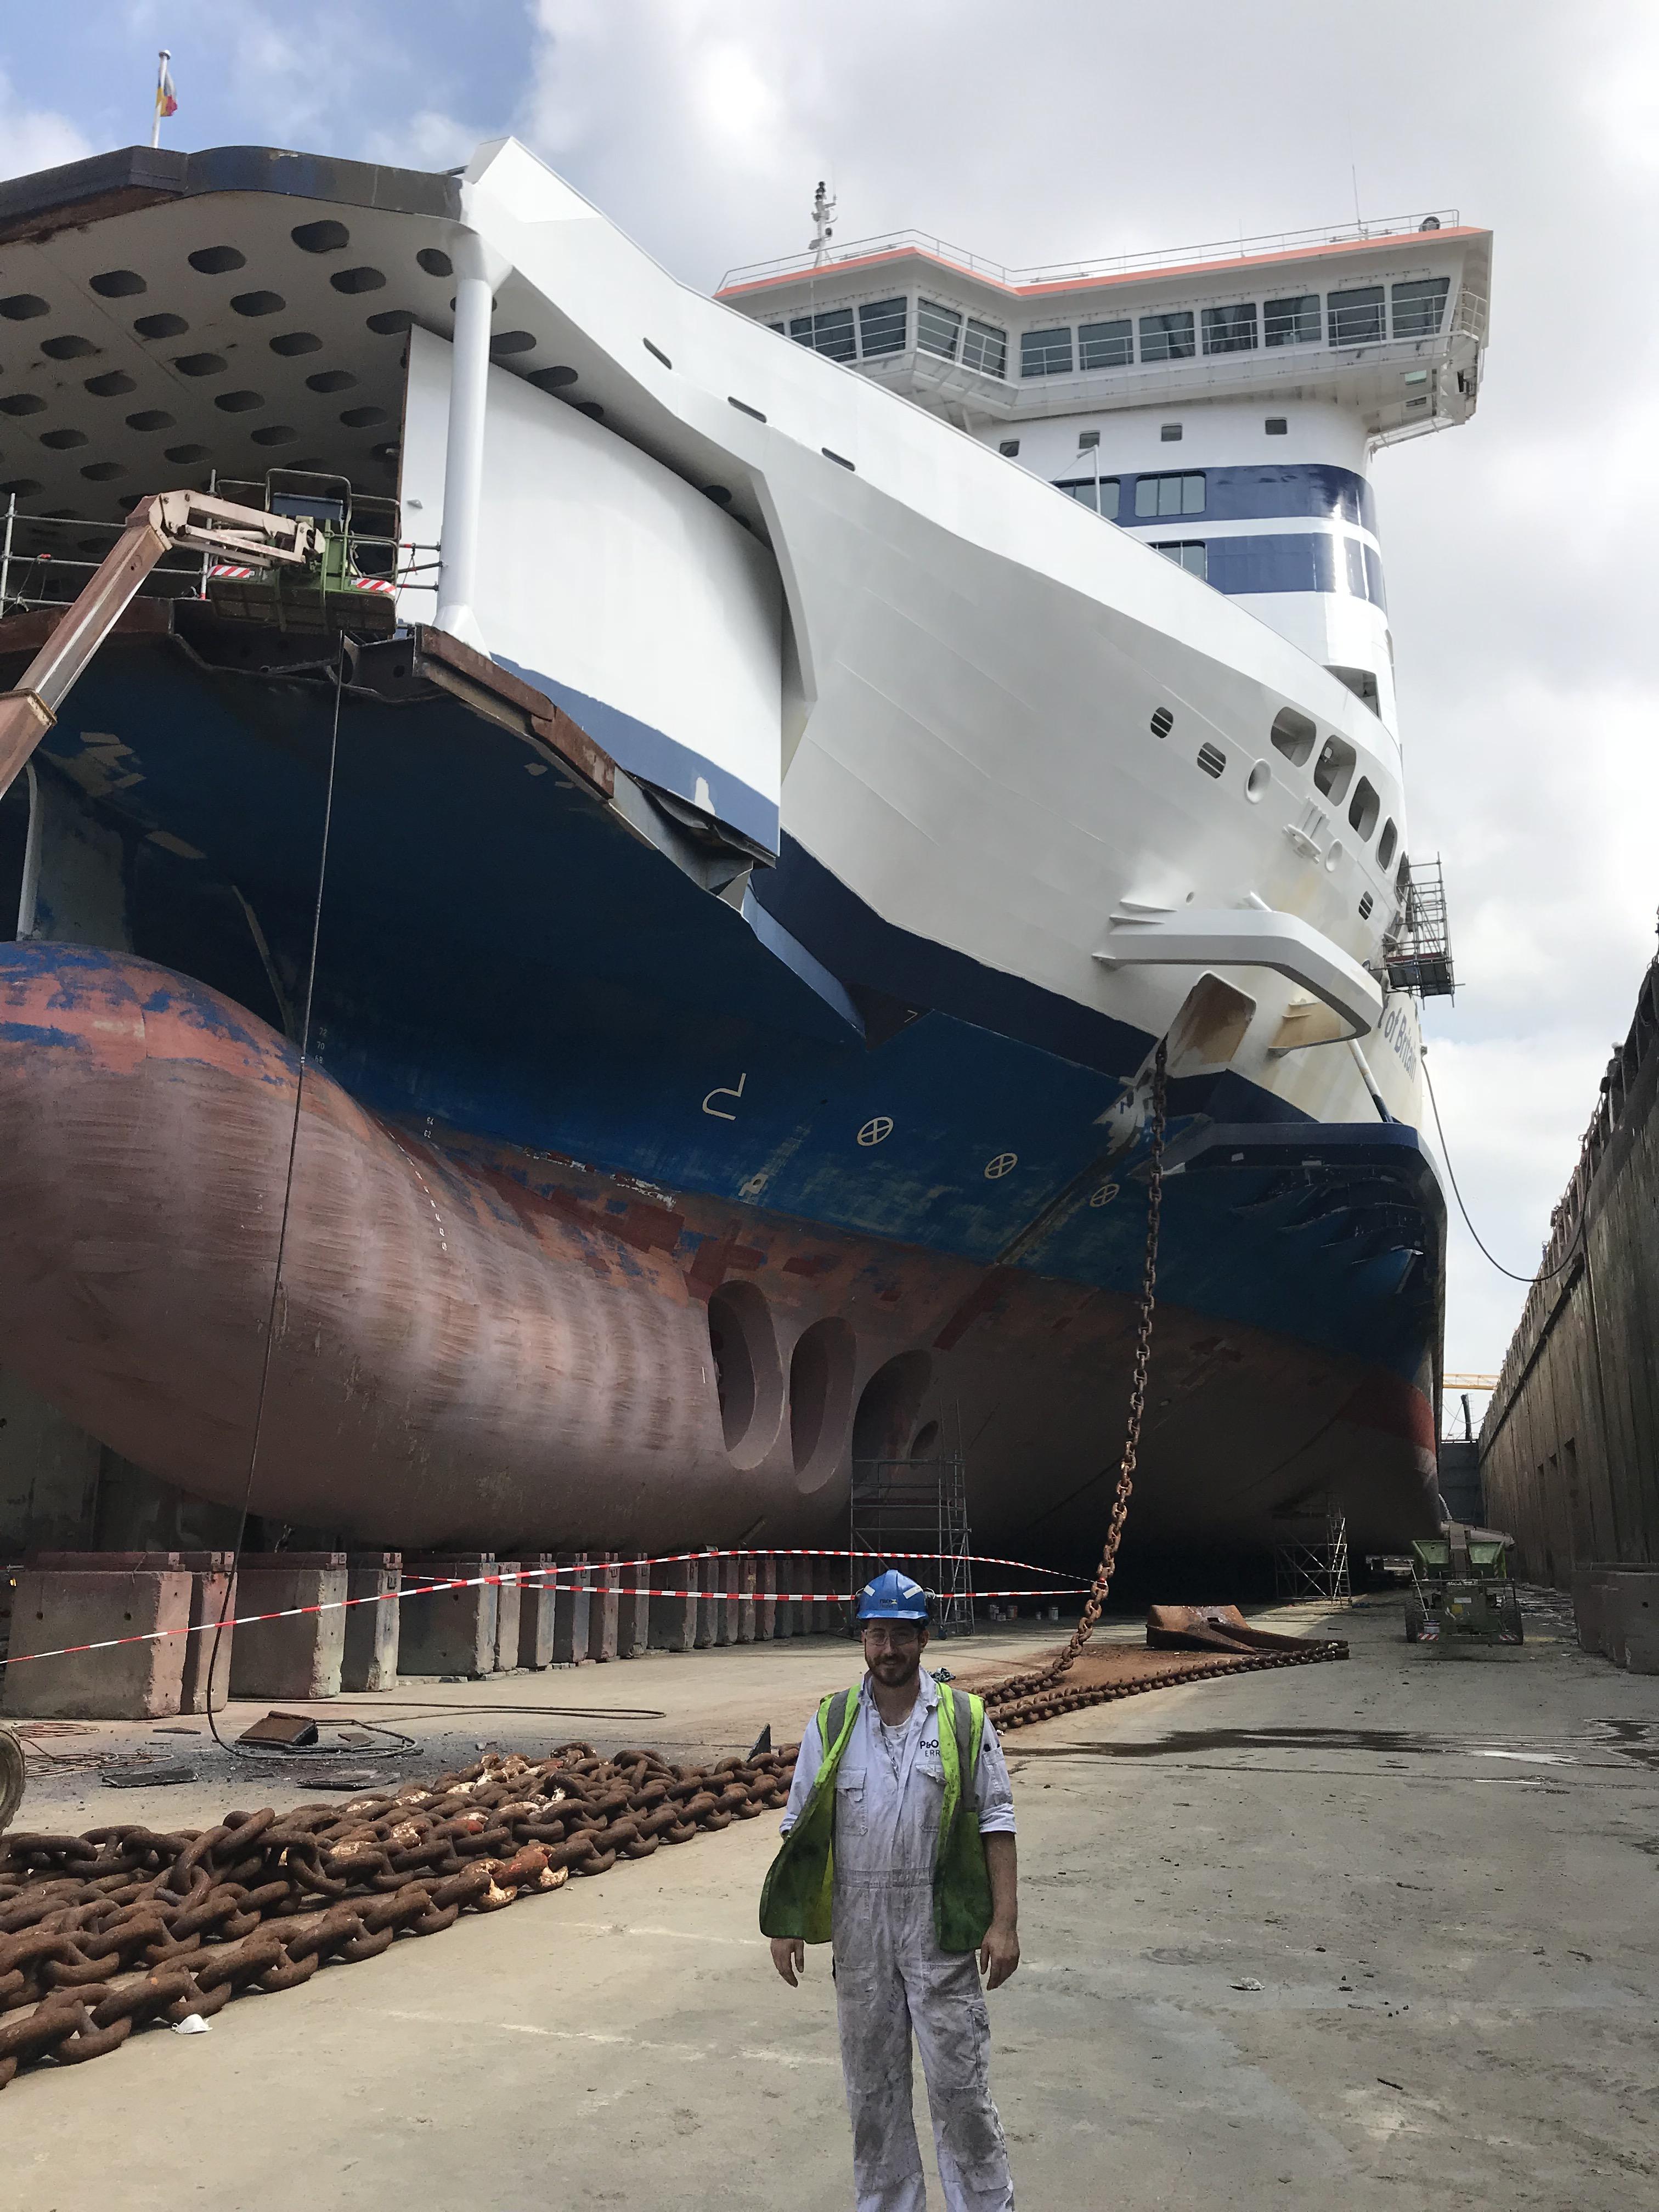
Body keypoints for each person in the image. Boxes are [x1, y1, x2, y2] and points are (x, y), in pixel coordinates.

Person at [760, 1569, 1019, 2211]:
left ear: (925, 1638)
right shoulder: (834, 1719)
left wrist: (1004, 1923)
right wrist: (787, 1919)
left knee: (961, 2089)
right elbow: (801, 1825)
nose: (888, 1650)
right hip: (861, 1924)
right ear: (862, 1640)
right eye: (876, 1635)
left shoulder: (963, 1717)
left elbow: (996, 1819)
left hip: (938, 1921)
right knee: (872, 2092)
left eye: (901, 1636)